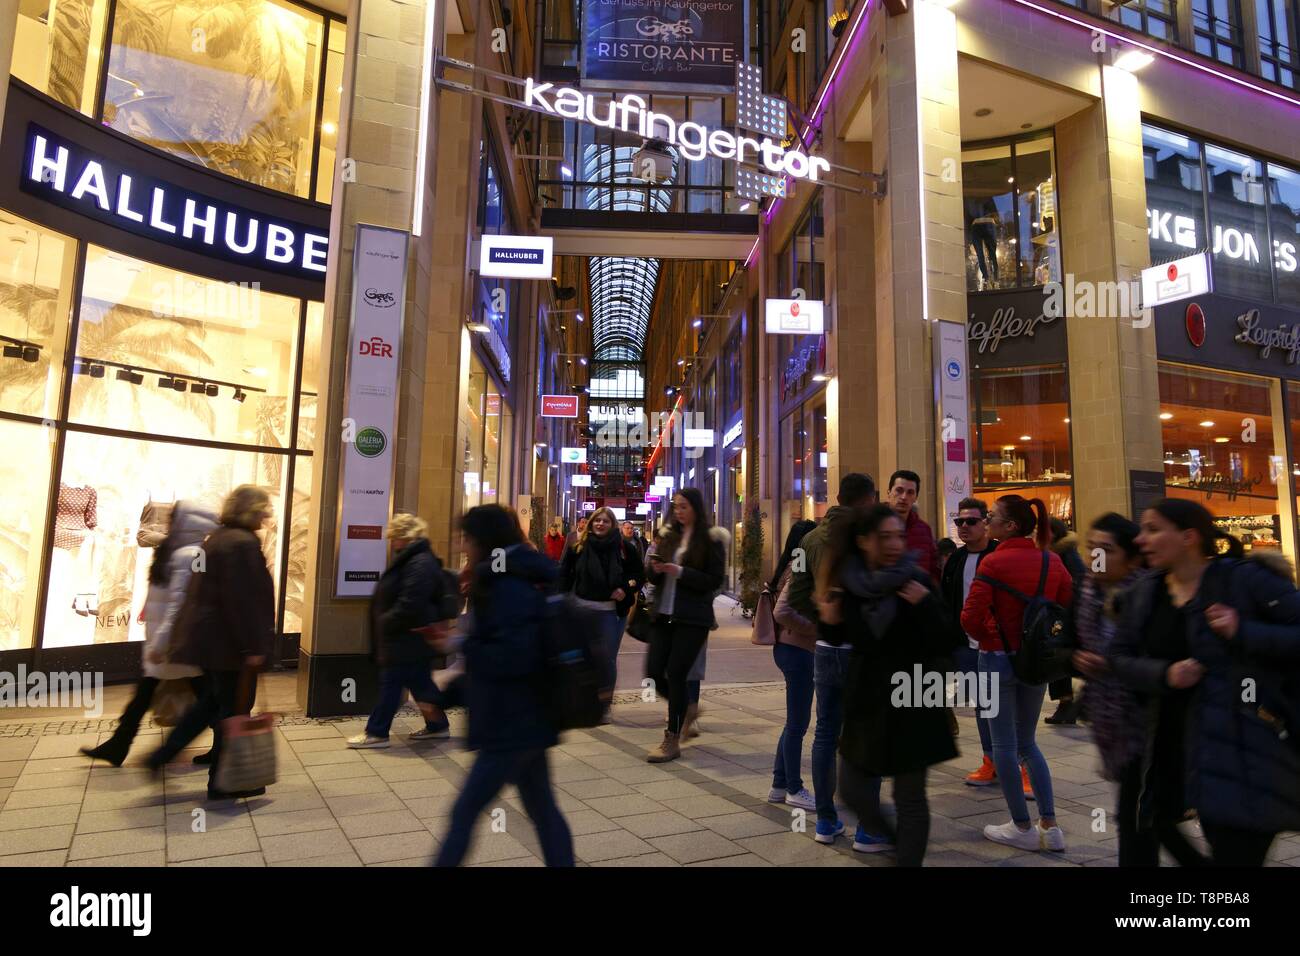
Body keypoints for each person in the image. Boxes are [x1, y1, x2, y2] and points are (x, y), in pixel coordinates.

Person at [1110, 499, 1300, 867]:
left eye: (1153, 529)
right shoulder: (1144, 594)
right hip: (1169, 752)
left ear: (1188, 537)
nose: (1141, 540)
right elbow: (1118, 658)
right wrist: (1165, 674)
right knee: (1157, 825)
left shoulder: (1245, 581)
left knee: (1236, 849)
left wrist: (1243, 630)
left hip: (1243, 748)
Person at [432, 505, 574, 866]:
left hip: (511, 721)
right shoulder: (511, 575)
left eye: (468, 538)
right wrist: (449, 694)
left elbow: (512, 655)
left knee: (465, 812)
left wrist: (458, 645)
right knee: (543, 811)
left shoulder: (507, 584)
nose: (463, 546)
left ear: (485, 540)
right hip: (527, 716)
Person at [820, 504, 959, 866]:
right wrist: (830, 621)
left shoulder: (916, 582)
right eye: (886, 537)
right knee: (851, 789)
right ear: (864, 541)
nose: (896, 544)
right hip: (869, 703)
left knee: (910, 797)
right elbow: (839, 637)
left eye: (899, 535)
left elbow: (948, 640)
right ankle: (899, 843)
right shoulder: (850, 586)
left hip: (915, 700)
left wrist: (926, 606)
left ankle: (908, 859)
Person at [1067, 512, 1201, 867]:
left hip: (1152, 726)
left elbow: (1162, 657)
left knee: (1139, 820)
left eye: (1106, 549)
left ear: (1131, 557)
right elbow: (1065, 642)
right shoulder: (1086, 591)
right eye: (1091, 547)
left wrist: (1114, 665)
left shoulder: (1152, 595)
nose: (1095, 556)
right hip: (1115, 726)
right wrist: (1075, 658)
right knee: (1149, 818)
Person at [146, 485, 275, 800]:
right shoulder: (241, 544)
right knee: (231, 708)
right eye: (262, 509)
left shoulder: (218, 540)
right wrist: (254, 648)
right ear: (249, 511)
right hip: (229, 646)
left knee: (215, 705)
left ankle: (168, 754)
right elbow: (242, 602)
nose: (266, 515)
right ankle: (221, 782)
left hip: (212, 643)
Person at [960, 494, 1070, 851]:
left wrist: (992, 635)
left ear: (1010, 526)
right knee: (1028, 743)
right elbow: (1067, 605)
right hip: (1035, 662)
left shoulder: (992, 563)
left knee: (1004, 746)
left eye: (992, 517)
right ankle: (1050, 826)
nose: (987, 521)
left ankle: (1021, 826)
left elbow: (970, 617)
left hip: (995, 660)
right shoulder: (1052, 561)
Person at [81, 501, 217, 767]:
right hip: (171, 643)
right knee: (170, 696)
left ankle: (216, 746)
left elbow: (181, 603)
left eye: (175, 518)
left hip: (176, 644)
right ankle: (120, 744)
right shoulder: (178, 551)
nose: (169, 521)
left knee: (202, 699)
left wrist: (162, 641)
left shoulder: (191, 555)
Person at [787, 472, 878, 845]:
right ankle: (869, 829)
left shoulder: (807, 539)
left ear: (838, 497)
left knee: (825, 731)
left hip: (825, 648)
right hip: (863, 650)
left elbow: (794, 595)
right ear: (869, 498)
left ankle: (826, 821)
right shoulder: (872, 536)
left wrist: (824, 619)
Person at [348, 513, 453, 749]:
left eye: (394, 537)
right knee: (419, 683)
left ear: (404, 536)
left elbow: (411, 602)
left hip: (406, 636)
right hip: (409, 637)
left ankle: (377, 732)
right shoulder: (413, 559)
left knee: (391, 685)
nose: (392, 542)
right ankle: (438, 726)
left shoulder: (419, 562)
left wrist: (386, 620)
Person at [643, 488, 726, 762]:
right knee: (654, 673)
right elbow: (654, 578)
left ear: (696, 509)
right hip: (662, 614)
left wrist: (680, 571)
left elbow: (714, 580)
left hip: (691, 618)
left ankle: (672, 738)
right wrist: (654, 570)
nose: (678, 512)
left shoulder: (711, 539)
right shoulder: (668, 535)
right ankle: (687, 708)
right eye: (676, 507)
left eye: (684, 507)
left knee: (676, 674)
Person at [938, 497, 1008, 788]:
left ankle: (1014, 762)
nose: (964, 527)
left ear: (986, 523)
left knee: (1004, 705)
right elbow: (946, 601)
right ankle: (990, 760)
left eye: (971, 521)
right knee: (982, 705)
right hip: (965, 647)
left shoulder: (999, 554)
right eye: (959, 522)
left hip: (997, 644)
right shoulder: (955, 559)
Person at [560, 507, 644, 720]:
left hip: (610, 612)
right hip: (581, 609)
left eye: (606, 521)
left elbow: (638, 574)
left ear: (612, 524)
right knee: (581, 658)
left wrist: (625, 587)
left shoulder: (624, 548)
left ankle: (604, 704)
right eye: (597, 520)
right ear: (591, 523)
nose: (600, 524)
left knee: (606, 660)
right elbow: (564, 575)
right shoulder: (577, 547)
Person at [766, 518, 819, 810]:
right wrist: (814, 628)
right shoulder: (800, 567)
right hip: (797, 650)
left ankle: (778, 784)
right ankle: (794, 788)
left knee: (794, 723)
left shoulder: (789, 564)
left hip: (790, 649)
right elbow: (782, 611)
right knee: (798, 724)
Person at [1046, 517, 1087, 724]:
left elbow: (1079, 582)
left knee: (1060, 660)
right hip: (1059, 613)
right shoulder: (1056, 552)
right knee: (1059, 661)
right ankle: (1067, 704)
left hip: (1063, 615)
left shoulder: (1066, 553)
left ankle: (1070, 704)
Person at [886, 470, 938, 582]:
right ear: (889, 492)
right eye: (899, 490)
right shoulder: (875, 525)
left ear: (915, 497)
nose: (904, 497)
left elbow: (933, 570)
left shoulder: (924, 530)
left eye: (910, 492)